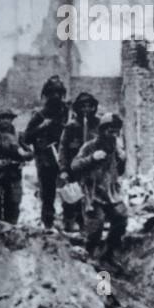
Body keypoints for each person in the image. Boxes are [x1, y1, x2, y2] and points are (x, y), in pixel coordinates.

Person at [71, 112, 128, 266]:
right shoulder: (90, 146)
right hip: (93, 193)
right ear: (102, 130)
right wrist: (92, 158)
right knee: (96, 225)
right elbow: (74, 166)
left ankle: (109, 253)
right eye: (110, 131)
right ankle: (90, 257)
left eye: (116, 131)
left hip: (111, 192)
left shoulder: (116, 147)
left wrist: (122, 160)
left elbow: (119, 172)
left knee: (121, 219)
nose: (113, 135)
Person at [23, 76, 69, 228]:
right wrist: (42, 127)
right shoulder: (40, 115)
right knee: (48, 191)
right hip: (46, 158)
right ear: (46, 95)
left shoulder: (67, 112)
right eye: (51, 93)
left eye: (58, 92)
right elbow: (27, 137)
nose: (55, 96)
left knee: (70, 188)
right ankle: (48, 222)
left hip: (66, 156)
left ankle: (71, 220)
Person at [58, 92, 101, 233]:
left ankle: (92, 228)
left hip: (94, 168)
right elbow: (63, 149)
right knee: (73, 197)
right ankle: (71, 224)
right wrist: (63, 169)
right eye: (83, 107)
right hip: (74, 168)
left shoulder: (99, 125)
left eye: (89, 106)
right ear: (78, 108)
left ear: (94, 107)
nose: (86, 110)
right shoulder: (71, 126)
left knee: (94, 198)